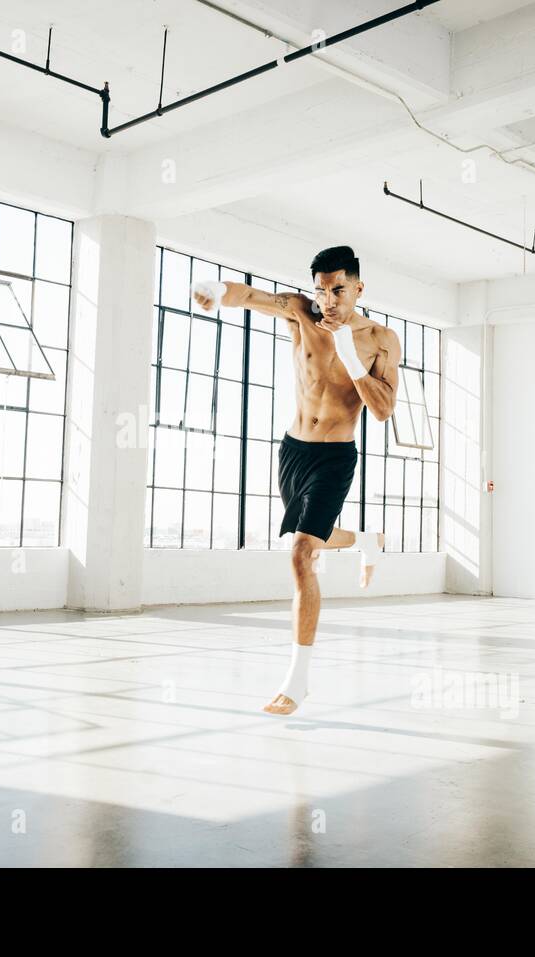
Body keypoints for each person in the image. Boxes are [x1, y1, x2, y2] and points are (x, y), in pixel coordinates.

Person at [191, 246, 401, 716]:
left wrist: (349, 355)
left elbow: (384, 410)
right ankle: (368, 539)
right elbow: (252, 296)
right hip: (293, 450)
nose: (328, 300)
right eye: (321, 290)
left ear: (359, 288)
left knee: (302, 552)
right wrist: (216, 290)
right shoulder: (301, 314)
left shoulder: (382, 338)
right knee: (313, 540)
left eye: (338, 289)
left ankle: (297, 681)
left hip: (335, 456)